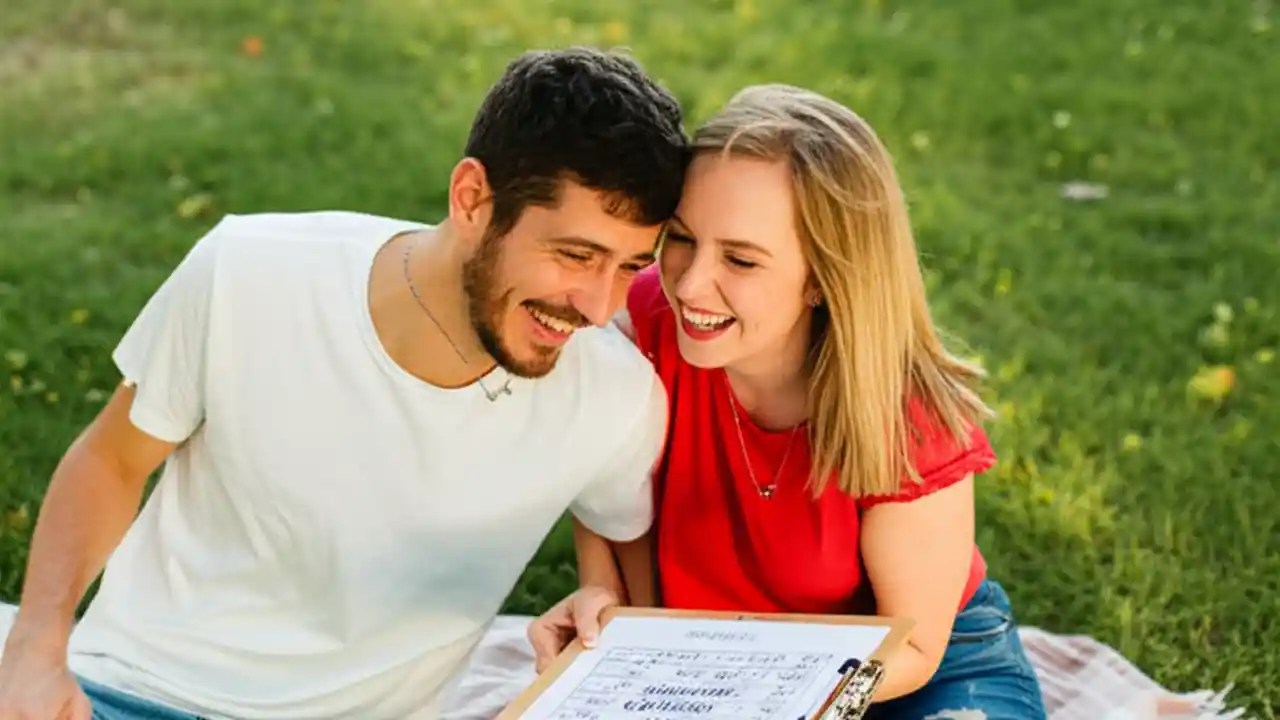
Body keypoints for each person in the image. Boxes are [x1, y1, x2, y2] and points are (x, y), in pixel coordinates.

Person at [0, 47, 688, 720]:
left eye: (630, 267)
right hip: (138, 692)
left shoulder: (614, 396)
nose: (600, 306)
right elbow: (113, 459)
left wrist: (602, 596)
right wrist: (34, 648)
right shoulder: (251, 273)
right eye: (575, 255)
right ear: (473, 198)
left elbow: (623, 544)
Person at [529, 84, 1048, 720]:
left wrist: (768, 703)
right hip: (710, 664)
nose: (690, 285)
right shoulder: (643, 324)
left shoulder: (905, 417)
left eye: (741, 261)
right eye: (683, 238)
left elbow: (914, 646)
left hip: (903, 674)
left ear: (825, 280)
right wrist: (601, 595)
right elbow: (602, 486)